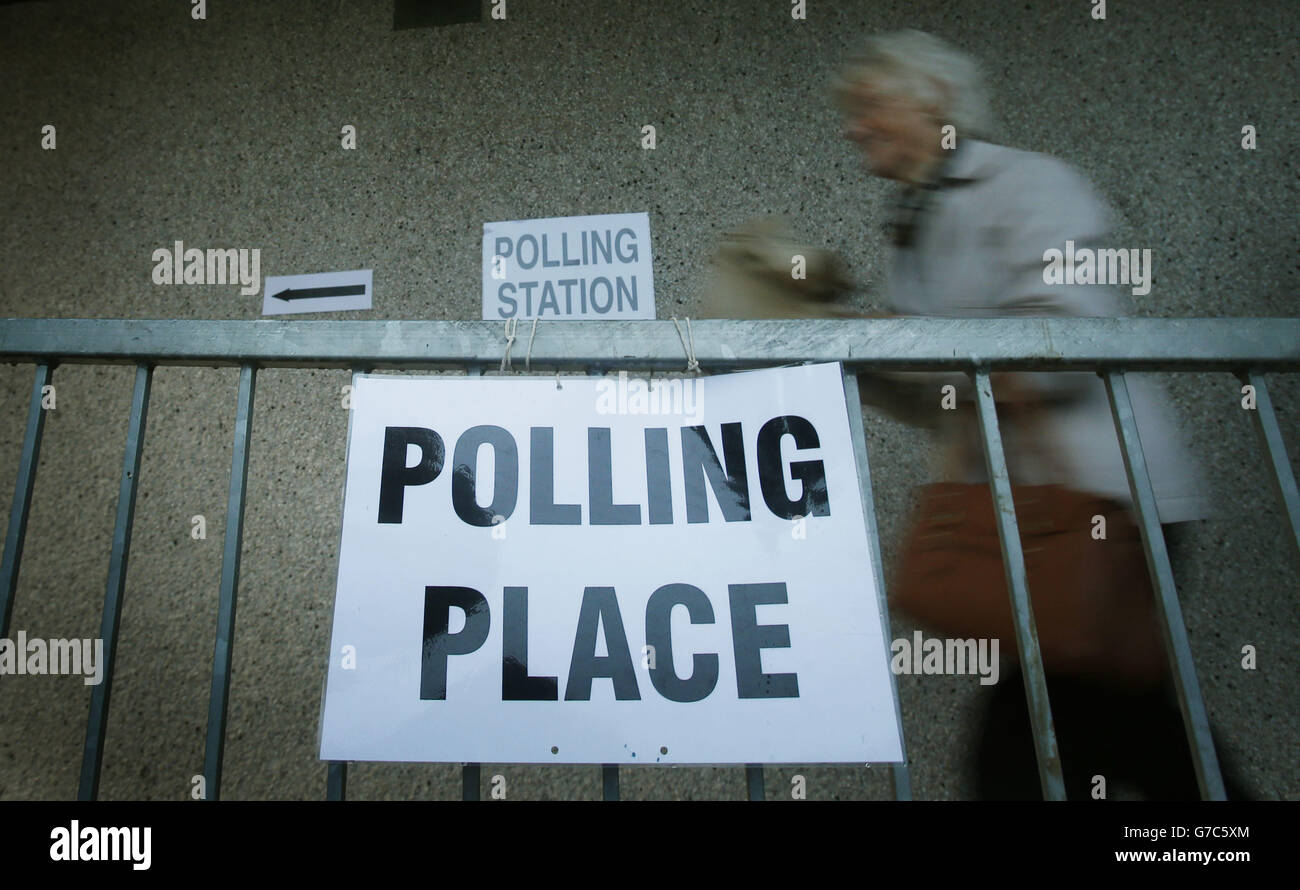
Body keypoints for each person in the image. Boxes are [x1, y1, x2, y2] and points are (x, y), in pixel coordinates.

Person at [818, 29, 1242, 800]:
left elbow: (1073, 327)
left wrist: (913, 342)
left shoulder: (1031, 186)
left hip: (1107, 499)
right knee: (1130, 724)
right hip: (1040, 512)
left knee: (1042, 743)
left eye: (870, 106)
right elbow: (941, 389)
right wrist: (844, 350)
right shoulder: (916, 224)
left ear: (935, 104)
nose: (853, 127)